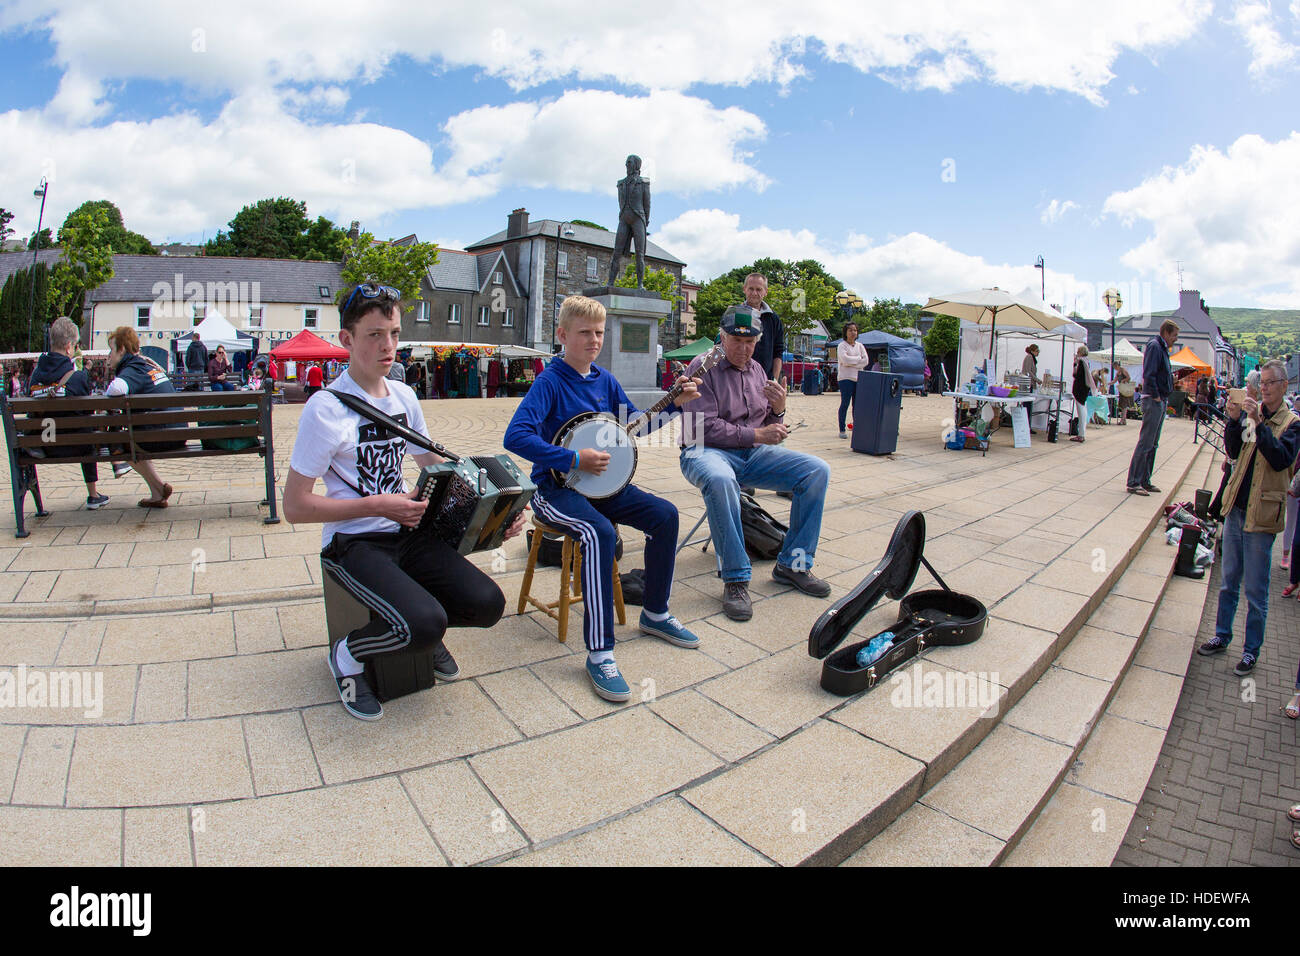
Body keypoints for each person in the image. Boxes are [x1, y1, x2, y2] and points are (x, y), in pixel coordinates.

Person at [283, 282, 525, 722]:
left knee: (488, 604)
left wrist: (497, 514)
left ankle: (419, 632)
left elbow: (439, 467)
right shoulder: (325, 409)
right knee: (423, 622)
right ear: (347, 339)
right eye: (374, 334)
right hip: (355, 541)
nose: (388, 345)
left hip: (407, 532)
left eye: (394, 333)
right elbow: (295, 506)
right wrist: (378, 505)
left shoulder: (405, 397)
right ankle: (348, 656)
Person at [504, 295, 701, 702]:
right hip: (554, 490)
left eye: (599, 332)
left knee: (665, 515)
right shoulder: (549, 382)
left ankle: (656, 612)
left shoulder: (605, 380)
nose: (593, 340)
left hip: (604, 488)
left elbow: (635, 427)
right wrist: (574, 457)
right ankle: (600, 652)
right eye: (584, 333)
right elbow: (516, 436)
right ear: (562, 335)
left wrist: (675, 406)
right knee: (598, 535)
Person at [679, 309, 832, 622]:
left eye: (750, 342)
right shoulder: (702, 367)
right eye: (737, 340)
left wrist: (778, 412)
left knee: (817, 471)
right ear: (722, 337)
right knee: (721, 480)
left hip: (750, 452)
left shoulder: (758, 370)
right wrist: (759, 433)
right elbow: (700, 429)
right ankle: (735, 579)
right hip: (704, 451)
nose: (744, 348)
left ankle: (794, 565)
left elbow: (765, 424)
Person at [1196, 360, 1300, 678]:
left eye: (1270, 382)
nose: (1264, 387)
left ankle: (1250, 651)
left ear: (1284, 386)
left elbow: (1282, 459)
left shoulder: (1292, 423)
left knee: (1256, 590)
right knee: (1228, 582)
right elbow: (1235, 450)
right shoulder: (1254, 414)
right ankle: (1222, 635)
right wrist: (1234, 419)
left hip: (1263, 515)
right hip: (1238, 508)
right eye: (1261, 383)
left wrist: (1258, 423)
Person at [26, 316, 115, 509]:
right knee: (87, 428)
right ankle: (93, 495)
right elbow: (88, 411)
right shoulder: (78, 376)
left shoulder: (35, 375)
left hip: (43, 445)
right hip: (78, 445)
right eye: (75, 346)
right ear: (68, 347)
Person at [105, 326, 179, 508]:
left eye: (112, 350)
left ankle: (158, 488)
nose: (110, 355)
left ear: (122, 349)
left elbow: (116, 389)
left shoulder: (133, 367)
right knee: (133, 438)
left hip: (162, 435)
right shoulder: (147, 364)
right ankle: (158, 492)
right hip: (177, 431)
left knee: (123, 442)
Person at [1125, 320, 1179, 495]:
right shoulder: (1155, 346)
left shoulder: (1161, 348)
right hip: (1154, 399)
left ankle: (1144, 480)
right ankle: (1134, 481)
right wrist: (1156, 396)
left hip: (1160, 399)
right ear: (1166, 333)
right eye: (1174, 336)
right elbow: (1149, 373)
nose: (1175, 340)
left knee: (1153, 444)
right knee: (1146, 442)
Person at [721, 274, 784, 382]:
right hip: (737, 379)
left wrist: (774, 380)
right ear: (744, 289)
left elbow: (778, 352)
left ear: (766, 291)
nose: (754, 293)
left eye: (759, 289)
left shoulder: (774, 319)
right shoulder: (733, 314)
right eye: (751, 288)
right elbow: (721, 344)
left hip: (765, 380)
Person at [606, 154, 652, 288]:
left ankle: (640, 284)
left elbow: (647, 203)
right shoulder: (621, 184)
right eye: (626, 163)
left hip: (638, 218)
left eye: (630, 163)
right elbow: (620, 202)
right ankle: (610, 282)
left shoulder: (643, 183)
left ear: (636, 165)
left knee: (639, 254)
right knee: (617, 252)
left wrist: (645, 221)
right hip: (624, 218)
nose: (627, 165)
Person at [836, 323, 868, 439]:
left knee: (857, 405)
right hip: (845, 379)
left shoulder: (860, 346)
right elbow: (844, 360)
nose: (853, 332)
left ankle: (857, 427)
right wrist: (857, 360)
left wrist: (851, 362)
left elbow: (866, 361)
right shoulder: (842, 346)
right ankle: (842, 429)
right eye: (850, 330)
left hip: (858, 378)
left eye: (855, 330)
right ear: (845, 332)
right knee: (845, 403)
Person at [1070, 346, 1091, 443]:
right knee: (1083, 411)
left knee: (1081, 411)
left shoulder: (1082, 362)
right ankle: (1081, 433)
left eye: (1078, 351)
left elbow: (1076, 375)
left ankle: (1081, 434)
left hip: (1080, 390)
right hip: (1083, 390)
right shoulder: (1086, 362)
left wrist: (1075, 364)